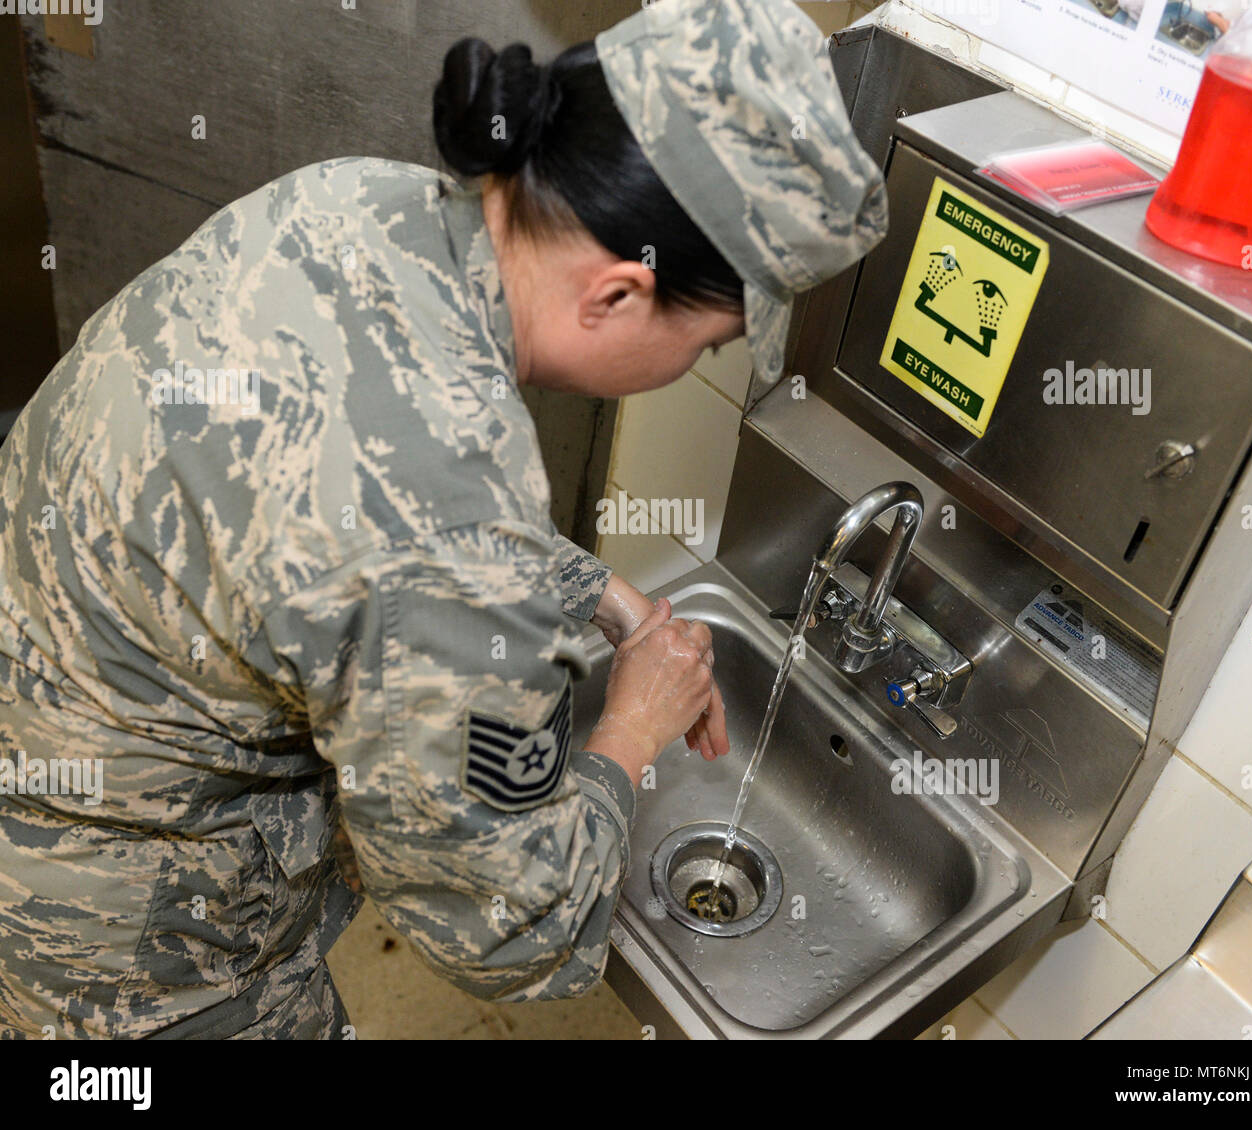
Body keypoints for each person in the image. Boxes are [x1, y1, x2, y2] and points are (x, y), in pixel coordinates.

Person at [0, 0, 885, 1038]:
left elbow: (321, 502)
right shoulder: (448, 519)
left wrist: (585, 585)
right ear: (616, 295)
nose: (689, 367)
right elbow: (507, 929)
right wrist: (629, 734)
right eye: (705, 343)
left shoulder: (360, 200)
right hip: (124, 950)